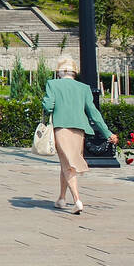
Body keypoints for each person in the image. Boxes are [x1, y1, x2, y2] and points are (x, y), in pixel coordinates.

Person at [41, 56, 117, 215]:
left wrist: (46, 113)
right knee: (67, 162)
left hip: (62, 127)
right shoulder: (84, 88)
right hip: (79, 130)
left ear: (60, 72)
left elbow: (48, 106)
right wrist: (107, 133)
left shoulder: (53, 84)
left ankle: (77, 200)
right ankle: (61, 198)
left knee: (68, 165)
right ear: (75, 73)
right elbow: (94, 113)